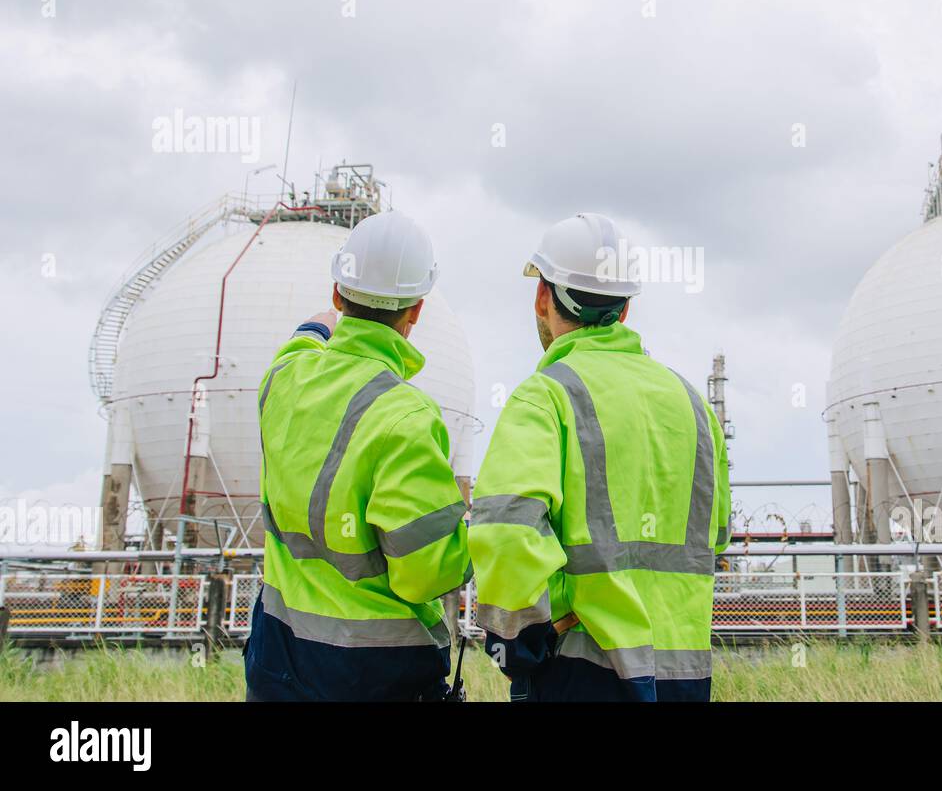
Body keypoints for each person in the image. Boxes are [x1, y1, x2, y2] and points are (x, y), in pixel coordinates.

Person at [469, 213, 731, 701]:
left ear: (543, 298)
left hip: (579, 674)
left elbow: (506, 531)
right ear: (625, 309)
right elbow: (713, 538)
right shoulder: (694, 405)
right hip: (684, 677)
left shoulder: (544, 398)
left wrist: (524, 644)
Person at [244, 210, 471, 701]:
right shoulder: (406, 416)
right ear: (416, 311)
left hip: (276, 655)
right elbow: (426, 572)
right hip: (374, 671)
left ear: (335, 293)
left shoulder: (283, 379)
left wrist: (324, 326)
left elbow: (305, 338)